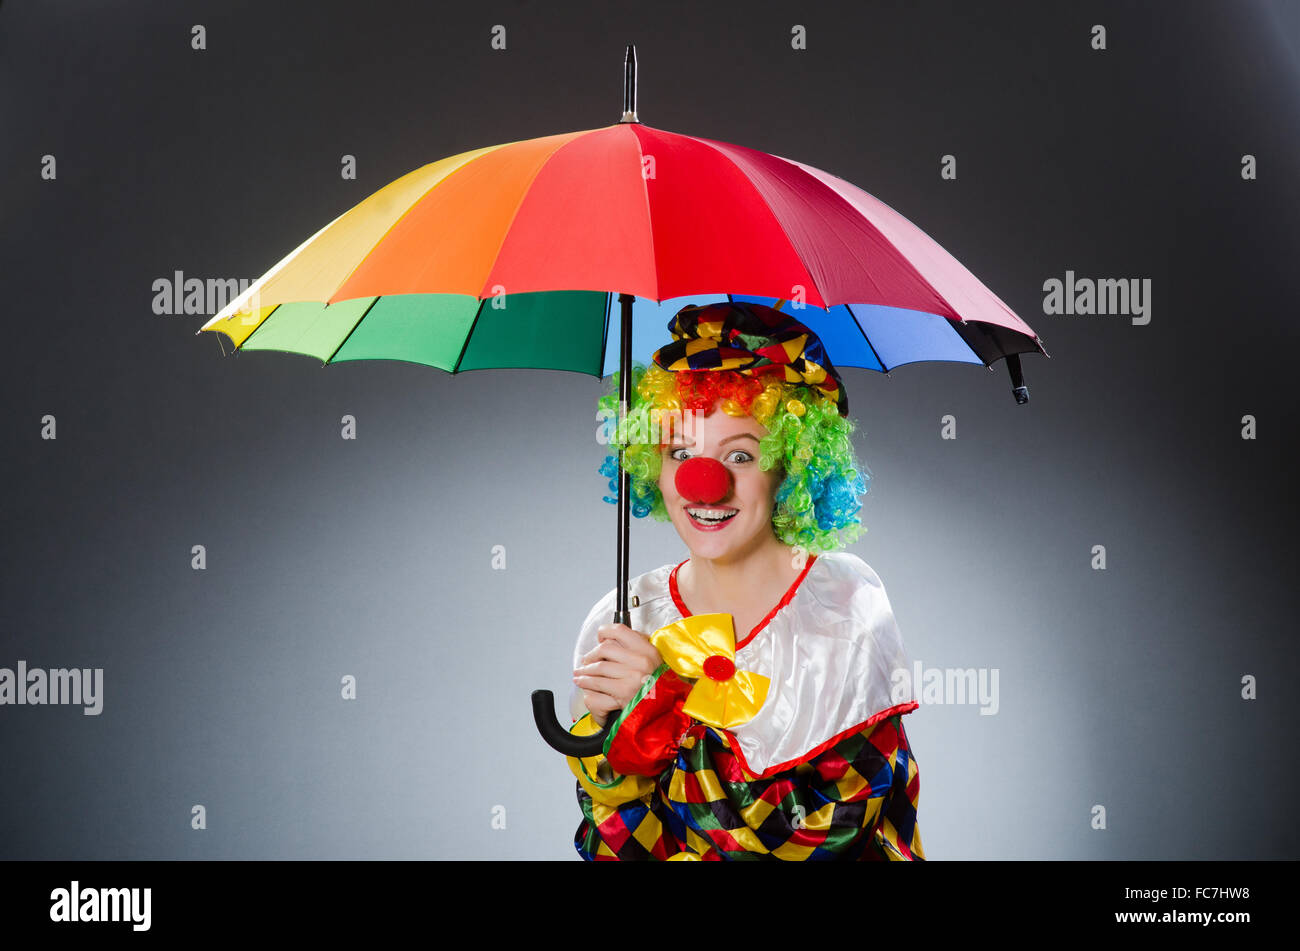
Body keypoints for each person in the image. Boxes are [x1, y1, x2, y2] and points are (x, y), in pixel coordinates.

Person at [565, 300, 925, 861]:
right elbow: (609, 839)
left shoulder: (844, 612)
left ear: (796, 466)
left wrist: (665, 708)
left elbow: (817, 838)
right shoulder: (634, 615)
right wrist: (621, 735)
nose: (700, 483)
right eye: (679, 451)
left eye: (740, 455)